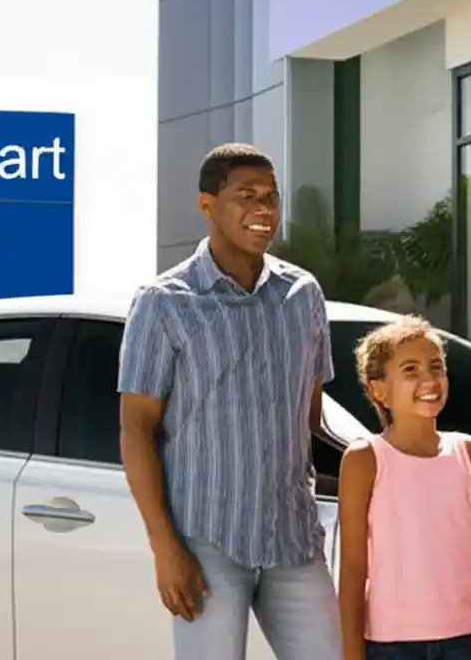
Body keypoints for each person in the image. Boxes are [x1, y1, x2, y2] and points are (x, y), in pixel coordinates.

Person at [118, 142, 344, 660]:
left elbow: (310, 420)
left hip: (293, 539)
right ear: (207, 206)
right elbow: (137, 431)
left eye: (271, 196)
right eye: (246, 196)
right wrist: (165, 547)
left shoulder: (303, 294)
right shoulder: (163, 303)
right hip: (206, 543)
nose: (264, 210)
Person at [337, 315, 471, 660]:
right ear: (378, 389)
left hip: (464, 639)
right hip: (390, 645)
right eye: (410, 369)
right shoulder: (365, 459)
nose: (429, 379)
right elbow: (353, 569)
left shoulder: (469, 453)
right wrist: (352, 653)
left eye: (436, 367)